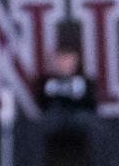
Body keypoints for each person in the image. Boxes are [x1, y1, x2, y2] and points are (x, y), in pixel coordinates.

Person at [33, 33, 98, 166]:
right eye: (62, 59)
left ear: (76, 60)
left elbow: (92, 104)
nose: (65, 63)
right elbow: (41, 102)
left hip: (79, 116)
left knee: (93, 126)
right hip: (54, 116)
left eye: (68, 59)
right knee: (40, 126)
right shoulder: (45, 81)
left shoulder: (86, 81)